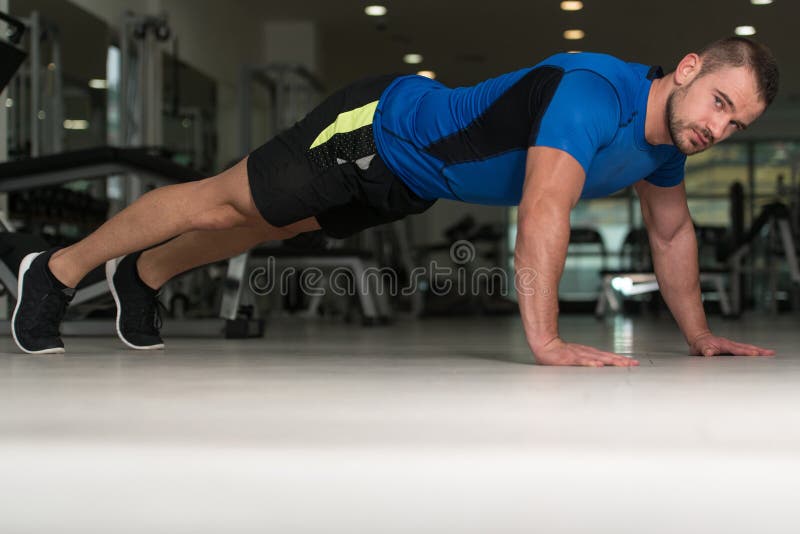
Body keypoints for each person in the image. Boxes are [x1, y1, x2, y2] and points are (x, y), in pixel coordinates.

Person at [11, 36, 779, 366]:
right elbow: (544, 208)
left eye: (734, 123)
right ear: (685, 68)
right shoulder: (592, 93)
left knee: (258, 225)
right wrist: (544, 341)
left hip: (407, 182)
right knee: (223, 202)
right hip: (375, 129)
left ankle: (140, 278)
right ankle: (57, 268)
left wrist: (701, 334)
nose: (717, 127)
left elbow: (673, 236)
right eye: (718, 101)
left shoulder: (663, 149)